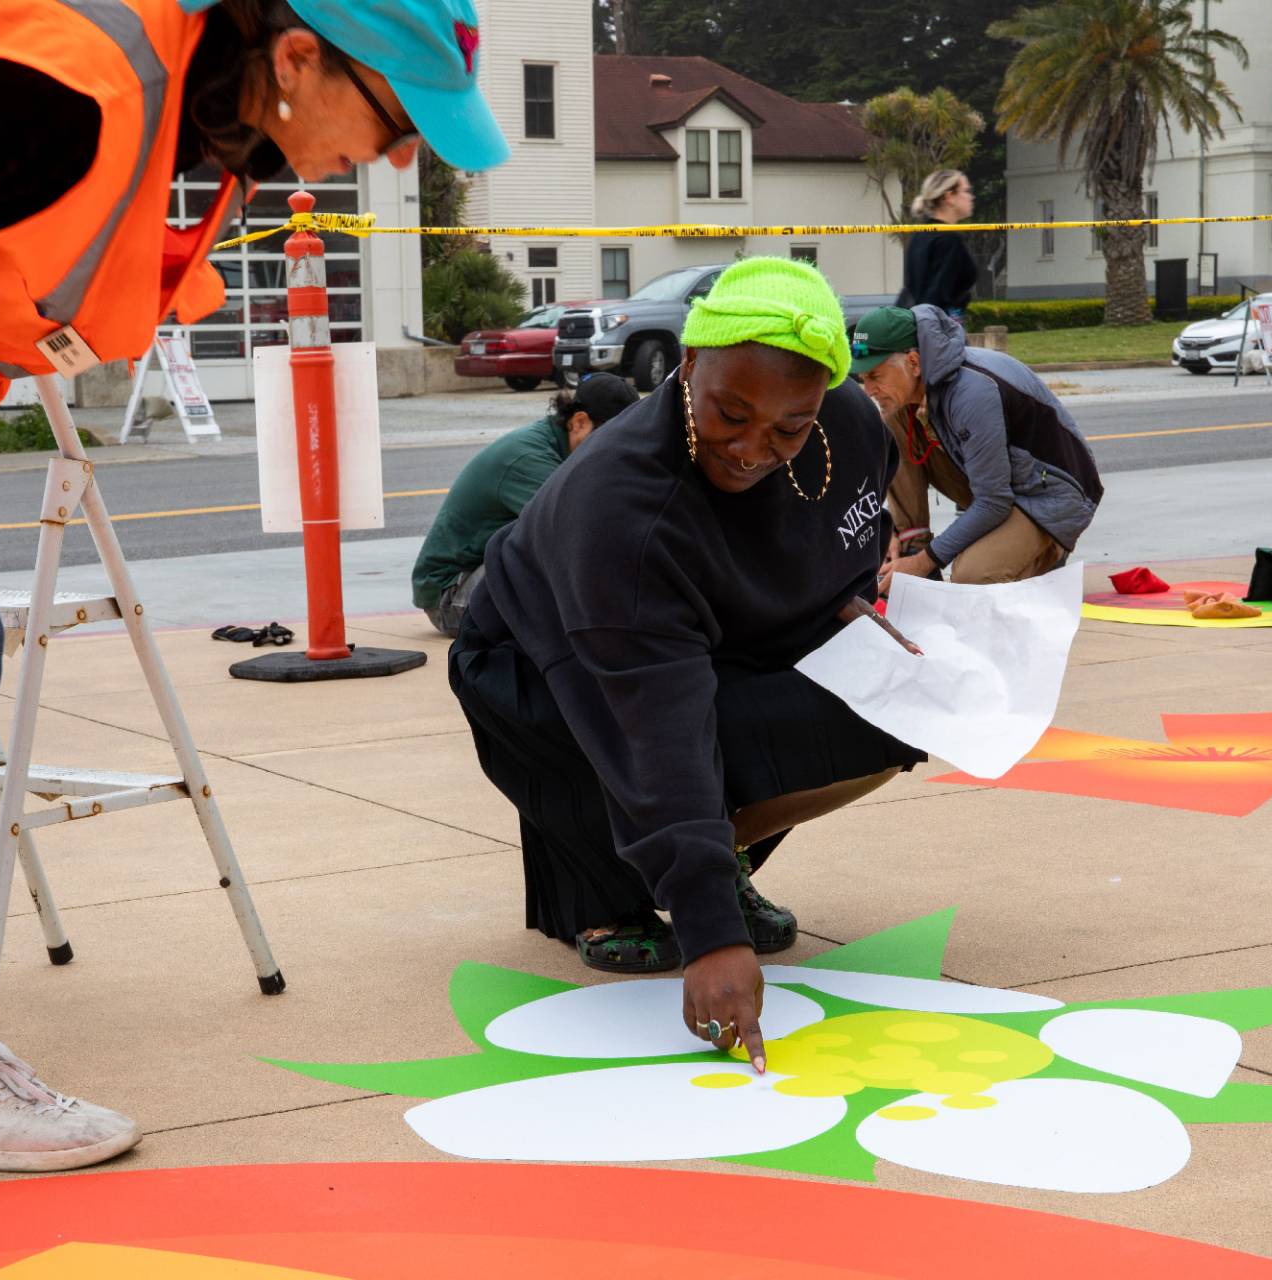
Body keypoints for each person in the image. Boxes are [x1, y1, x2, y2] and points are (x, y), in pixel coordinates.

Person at [0, 0, 506, 1172]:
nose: (400, 158)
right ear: (298, 56)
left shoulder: (195, 90)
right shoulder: (77, 71)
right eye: (399, 120)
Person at [447, 258, 924, 1068]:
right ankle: (618, 895)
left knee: (899, 707)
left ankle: (710, 860)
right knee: (652, 765)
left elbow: (847, 532)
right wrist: (712, 939)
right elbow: (655, 725)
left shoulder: (848, 423)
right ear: (689, 365)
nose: (751, 447)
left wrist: (845, 603)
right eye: (730, 413)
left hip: (701, 643)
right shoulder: (622, 506)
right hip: (543, 667)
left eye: (789, 428)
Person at [852, 305, 1102, 588]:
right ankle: (911, 548)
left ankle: (1044, 554)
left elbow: (993, 501)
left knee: (971, 577)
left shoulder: (971, 393)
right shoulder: (924, 383)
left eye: (875, 377)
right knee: (892, 416)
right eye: (863, 379)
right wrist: (897, 537)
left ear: (914, 362)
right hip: (1003, 487)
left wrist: (924, 562)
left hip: (1050, 497)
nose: (868, 390)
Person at [413, 375, 639, 638]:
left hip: (479, 579)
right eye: (611, 438)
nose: (614, 450)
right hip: (451, 595)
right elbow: (582, 533)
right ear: (579, 422)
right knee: (572, 553)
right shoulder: (530, 459)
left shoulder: (561, 449)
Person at [897, 169, 978, 319]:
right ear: (949, 197)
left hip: (914, 320)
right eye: (967, 191)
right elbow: (937, 296)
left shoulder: (919, 235)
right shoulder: (949, 240)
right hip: (937, 326)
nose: (971, 197)